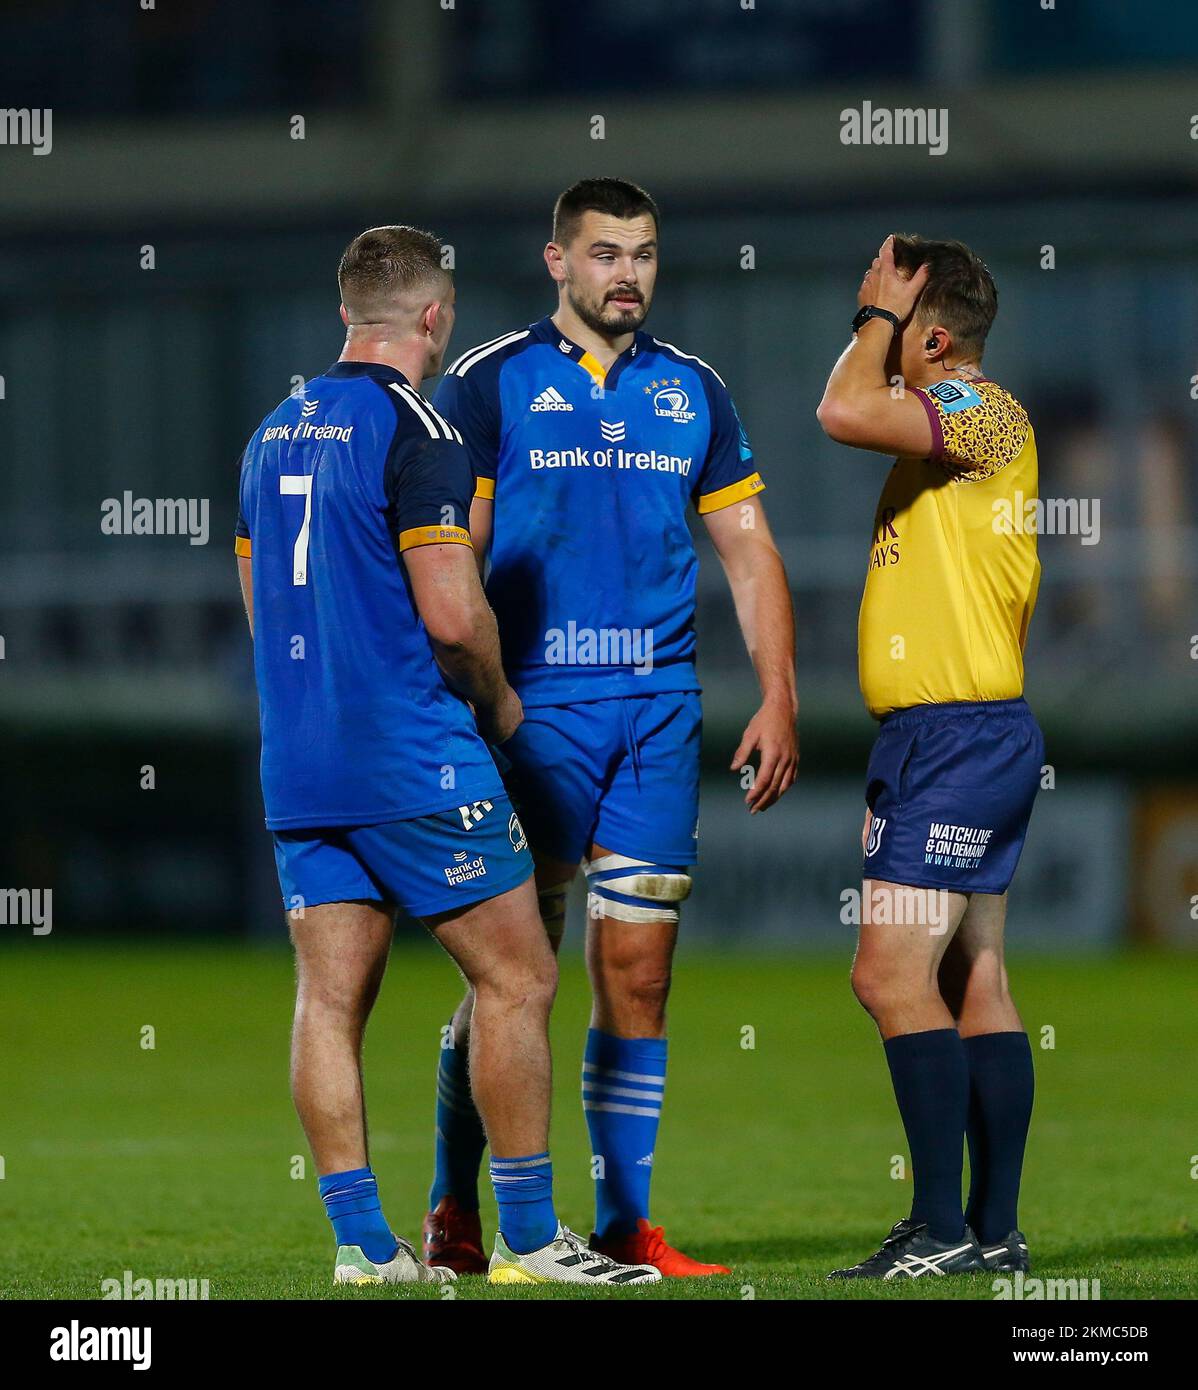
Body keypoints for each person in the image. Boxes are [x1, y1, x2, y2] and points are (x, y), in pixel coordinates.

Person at [235, 223, 659, 1287]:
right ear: (436, 318)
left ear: (348, 313)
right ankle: (526, 1232)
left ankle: (364, 1246)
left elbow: (261, 608)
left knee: (330, 1000)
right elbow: (453, 616)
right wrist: (505, 706)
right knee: (517, 973)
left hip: (298, 760)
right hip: (409, 756)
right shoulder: (417, 427)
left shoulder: (270, 431)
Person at [422, 178, 798, 1278]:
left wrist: (776, 691)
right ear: (557, 263)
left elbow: (749, 552)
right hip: (530, 713)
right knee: (510, 980)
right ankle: (456, 1206)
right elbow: (453, 554)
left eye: (640, 253)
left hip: (657, 712)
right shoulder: (491, 380)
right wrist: (471, 698)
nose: (624, 272)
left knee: (637, 973)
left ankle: (625, 1219)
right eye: (602, 253)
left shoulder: (693, 391)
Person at [816, 233, 1042, 1279]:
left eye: (900, 326)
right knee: (971, 970)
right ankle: (990, 1230)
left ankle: (944, 1227)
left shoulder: (980, 411)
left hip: (952, 739)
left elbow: (838, 411)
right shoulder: (955, 436)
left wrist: (873, 313)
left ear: (934, 335)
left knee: (886, 972)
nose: (877, 339)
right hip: (962, 734)